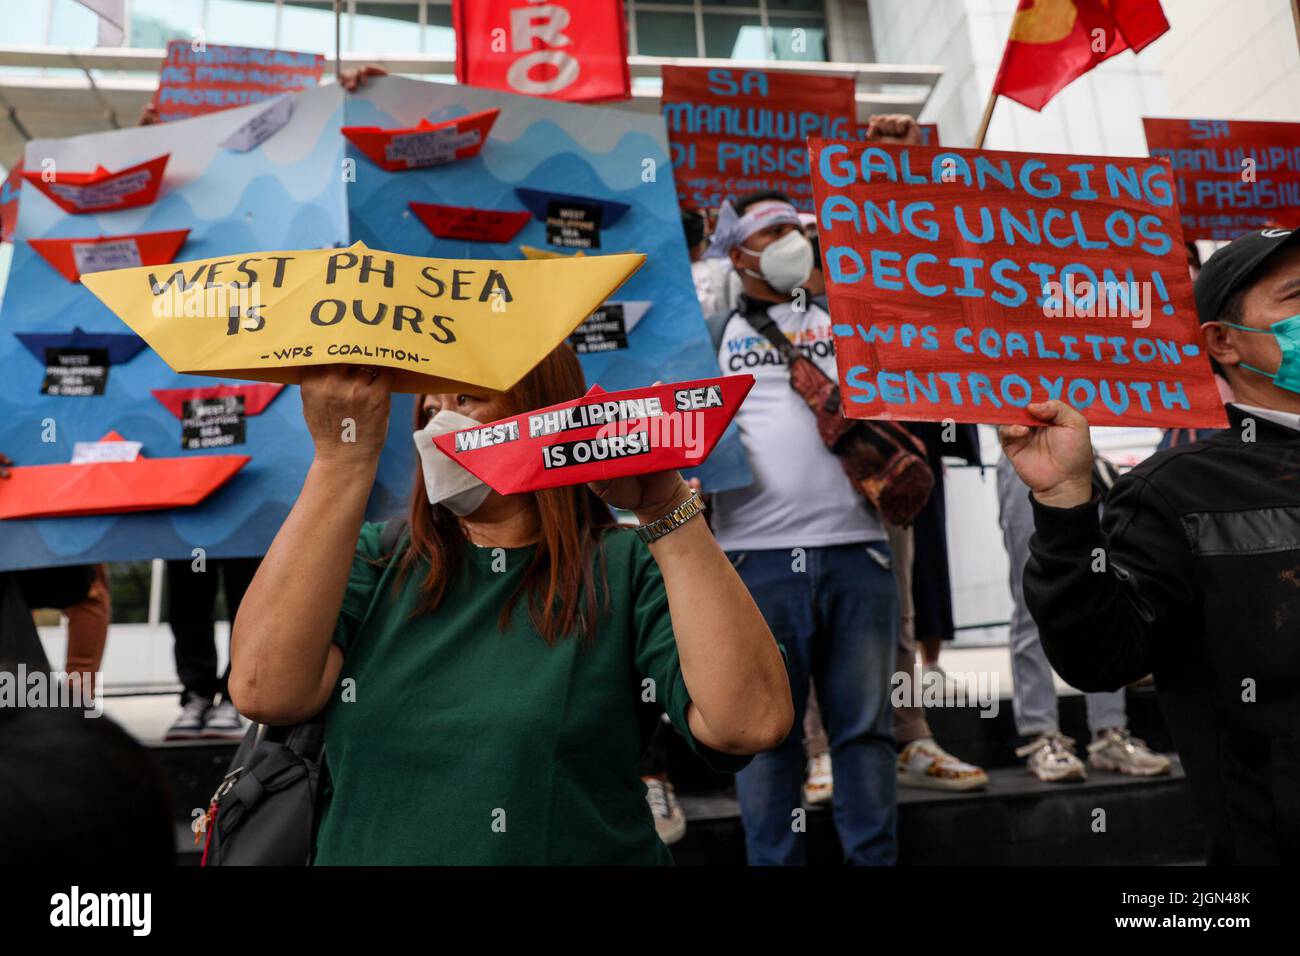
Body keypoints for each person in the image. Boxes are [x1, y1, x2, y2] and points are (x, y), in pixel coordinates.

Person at [228, 347, 792, 865]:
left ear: (548, 416)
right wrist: (340, 462)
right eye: (429, 409)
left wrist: (666, 508)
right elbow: (265, 690)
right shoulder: (378, 560)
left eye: (468, 400)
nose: (441, 427)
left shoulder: (624, 567)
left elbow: (750, 722)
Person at [1001, 227, 1300, 863]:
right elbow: (1100, 657)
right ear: (1221, 340)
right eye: (1297, 295)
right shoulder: (1174, 490)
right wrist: (1064, 507)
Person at [708, 189, 898, 865]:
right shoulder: (711, 333)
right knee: (767, 734)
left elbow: (910, 258)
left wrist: (895, 167)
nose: (796, 240)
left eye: (800, 228)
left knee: (867, 732)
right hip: (752, 562)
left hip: (859, 555)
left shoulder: (853, 319)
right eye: (777, 230)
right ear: (739, 253)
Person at [997, 457, 1172, 781]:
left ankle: (1108, 732)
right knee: (1031, 602)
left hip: (1080, 453)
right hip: (1028, 448)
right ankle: (1041, 735)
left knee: (1100, 590)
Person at [164, 557, 260, 740]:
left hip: (247, 532)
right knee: (188, 591)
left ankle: (235, 696)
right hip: (191, 533)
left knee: (248, 591)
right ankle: (198, 693)